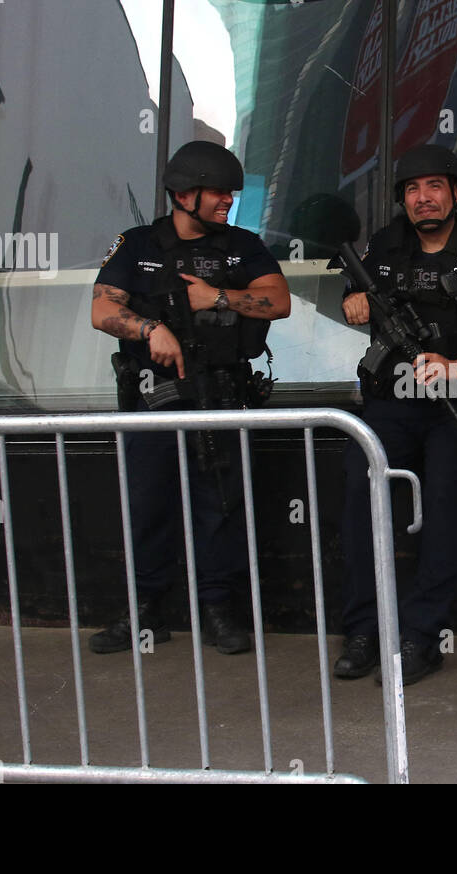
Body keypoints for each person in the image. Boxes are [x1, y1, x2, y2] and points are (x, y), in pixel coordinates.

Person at [335, 143, 457, 684]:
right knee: (359, 493)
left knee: (442, 502)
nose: (423, 199)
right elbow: (356, 292)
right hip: (391, 398)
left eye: (434, 187)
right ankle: (364, 630)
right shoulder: (383, 245)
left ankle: (421, 636)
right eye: (412, 190)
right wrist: (352, 298)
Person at [89, 140, 290, 655]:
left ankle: (218, 610)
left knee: (219, 505)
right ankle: (144, 612)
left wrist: (217, 296)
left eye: (230, 191)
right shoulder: (138, 244)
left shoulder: (242, 245)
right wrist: (150, 327)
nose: (227, 200)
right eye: (218, 191)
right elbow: (101, 309)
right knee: (146, 504)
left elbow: (279, 302)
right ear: (183, 194)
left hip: (219, 392)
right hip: (155, 396)